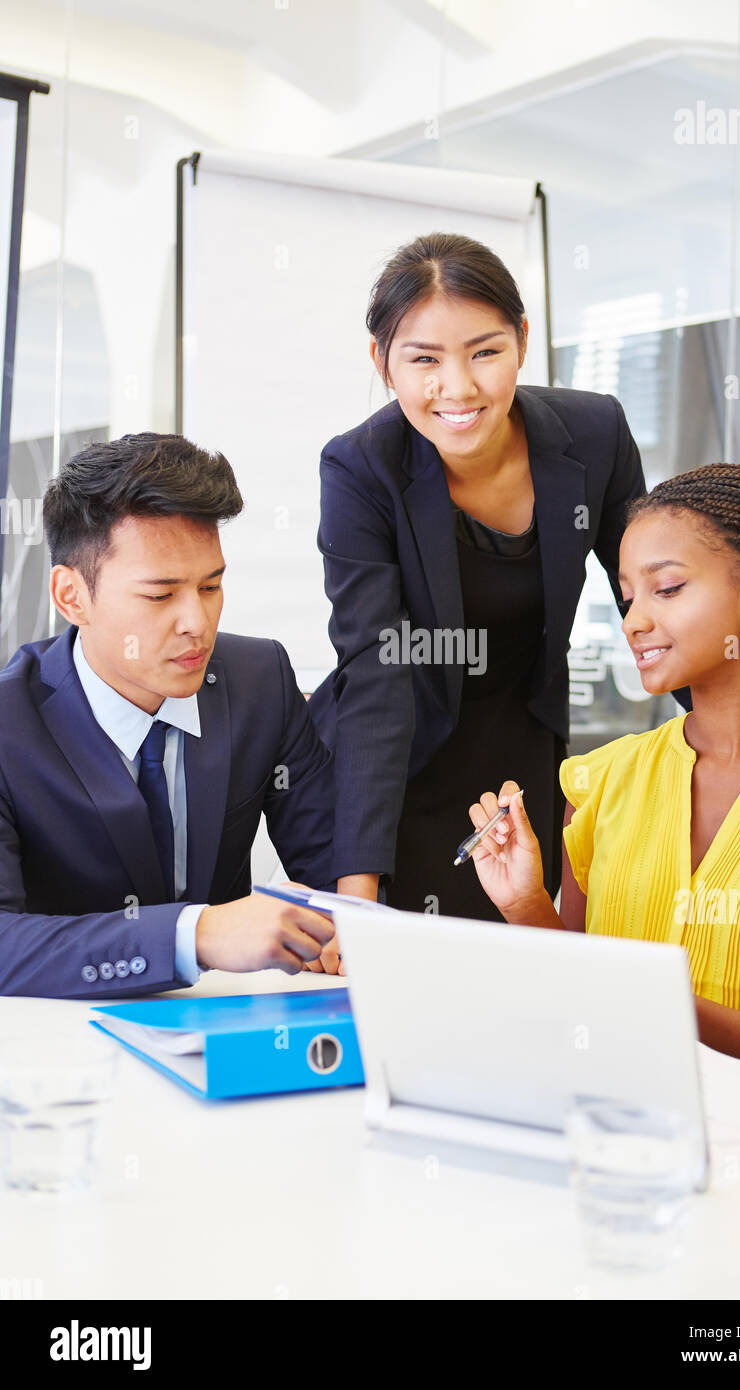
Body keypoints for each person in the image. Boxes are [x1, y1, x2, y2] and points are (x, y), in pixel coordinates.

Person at [466, 463, 740, 1170]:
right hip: (610, 1158)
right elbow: (577, 1002)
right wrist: (528, 903)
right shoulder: (604, 780)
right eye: (626, 596)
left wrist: (646, 996)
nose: (635, 621)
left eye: (668, 588)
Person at [308, 231, 657, 967]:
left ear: (523, 341)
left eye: (484, 351)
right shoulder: (360, 468)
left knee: (516, 979)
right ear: (382, 363)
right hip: (391, 768)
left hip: (517, 753)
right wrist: (356, 900)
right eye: (424, 359)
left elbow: (652, 597)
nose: (458, 389)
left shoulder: (593, 435)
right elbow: (374, 673)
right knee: (391, 987)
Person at [0, 433, 335, 998]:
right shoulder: (11, 723)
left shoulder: (260, 679)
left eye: (211, 586)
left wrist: (330, 921)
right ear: (71, 596)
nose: (196, 623)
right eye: (160, 596)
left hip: (230, 1026)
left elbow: (329, 862)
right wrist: (194, 934)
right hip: (56, 1043)